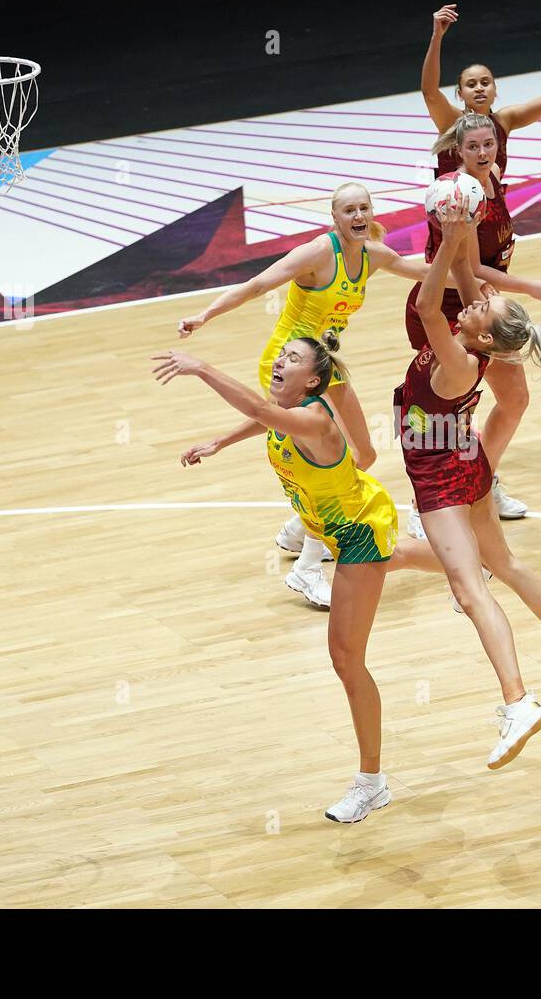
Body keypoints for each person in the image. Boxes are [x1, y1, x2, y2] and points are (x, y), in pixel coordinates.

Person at [152, 332, 445, 824]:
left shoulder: (312, 418)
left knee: (347, 659)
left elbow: (271, 417)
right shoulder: (288, 410)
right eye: (281, 354)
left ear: (312, 380)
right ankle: (471, 565)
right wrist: (219, 442)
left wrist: (202, 368)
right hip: (342, 523)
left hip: (355, 535)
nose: (279, 361)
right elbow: (266, 419)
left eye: (292, 358)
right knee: (397, 558)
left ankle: (371, 783)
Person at [177, 183, 467, 607]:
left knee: (363, 456)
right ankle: (307, 568)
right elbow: (259, 285)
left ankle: (298, 529)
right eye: (349, 209)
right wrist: (205, 315)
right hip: (291, 366)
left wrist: (483, 276)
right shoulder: (318, 252)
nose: (358, 215)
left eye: (364, 208)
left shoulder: (373, 256)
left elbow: (426, 272)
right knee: (330, 470)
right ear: (335, 217)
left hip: (325, 366)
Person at [397, 191, 541, 771]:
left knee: (470, 589)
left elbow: (432, 303)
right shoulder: (481, 346)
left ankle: (517, 700)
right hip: (469, 462)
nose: (471, 307)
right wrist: (457, 232)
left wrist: (446, 246)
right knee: (504, 565)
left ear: (483, 336)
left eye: (479, 311)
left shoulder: (458, 356)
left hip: (441, 478)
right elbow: (458, 290)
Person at [405, 112, 541, 530]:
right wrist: (526, 287)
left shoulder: (494, 177)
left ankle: (482, 479)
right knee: (445, 413)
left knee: (514, 400)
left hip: (480, 305)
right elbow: (468, 268)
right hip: (452, 308)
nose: (483, 152)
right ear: (458, 150)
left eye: (489, 144)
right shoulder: (462, 196)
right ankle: (427, 505)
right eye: (473, 147)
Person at [421, 4, 541, 180]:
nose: (479, 88)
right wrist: (436, 37)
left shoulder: (504, 120)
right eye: (471, 84)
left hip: (494, 206)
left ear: (495, 90)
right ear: (460, 94)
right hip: (454, 206)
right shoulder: (451, 121)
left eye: (485, 82)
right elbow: (430, 93)